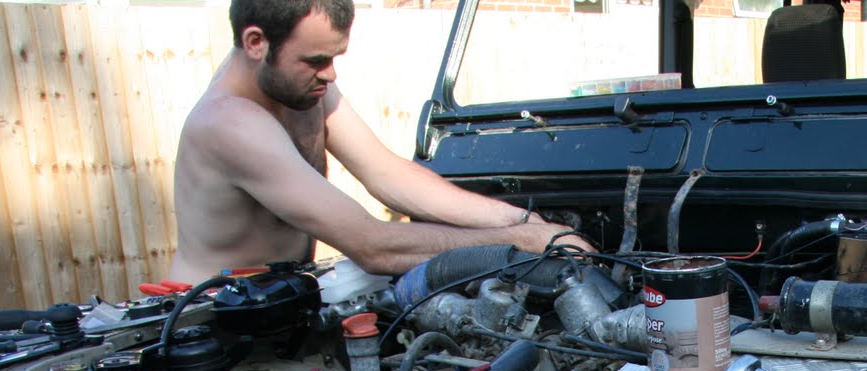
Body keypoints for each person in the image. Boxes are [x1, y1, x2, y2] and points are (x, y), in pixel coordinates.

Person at [169, 0, 588, 285]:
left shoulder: (299, 87)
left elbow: (386, 174)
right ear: (256, 43)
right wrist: (521, 244)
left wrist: (520, 220)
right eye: (316, 60)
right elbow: (371, 246)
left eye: (334, 58)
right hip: (211, 329)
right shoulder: (229, 124)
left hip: (284, 307)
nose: (330, 74)